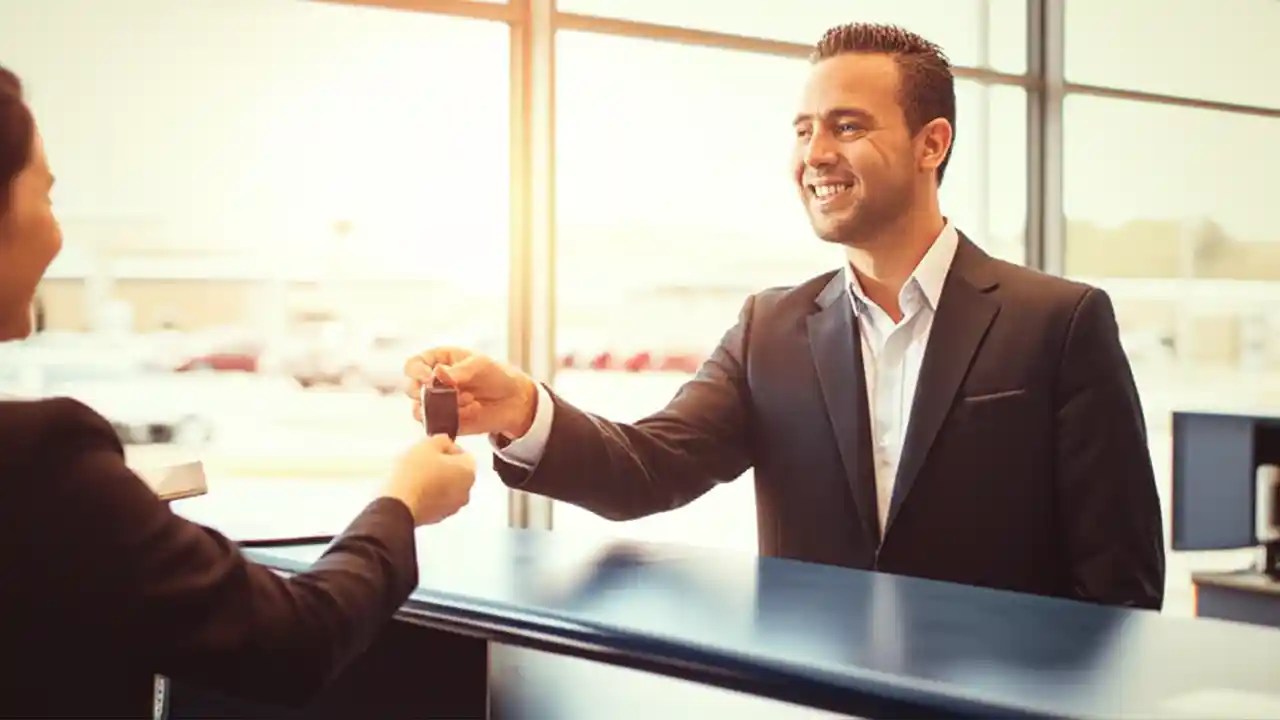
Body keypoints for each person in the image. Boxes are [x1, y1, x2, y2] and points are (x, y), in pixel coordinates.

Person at [406, 23, 1165, 610]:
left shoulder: (1059, 324)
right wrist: (524, 409)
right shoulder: (769, 330)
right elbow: (647, 470)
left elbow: (1121, 586)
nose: (815, 153)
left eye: (847, 126)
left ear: (933, 143)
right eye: (803, 129)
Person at [0, 65, 477, 717]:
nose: (58, 231)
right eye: (47, 197)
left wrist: (114, 500)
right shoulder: (42, 460)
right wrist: (405, 501)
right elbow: (297, 639)